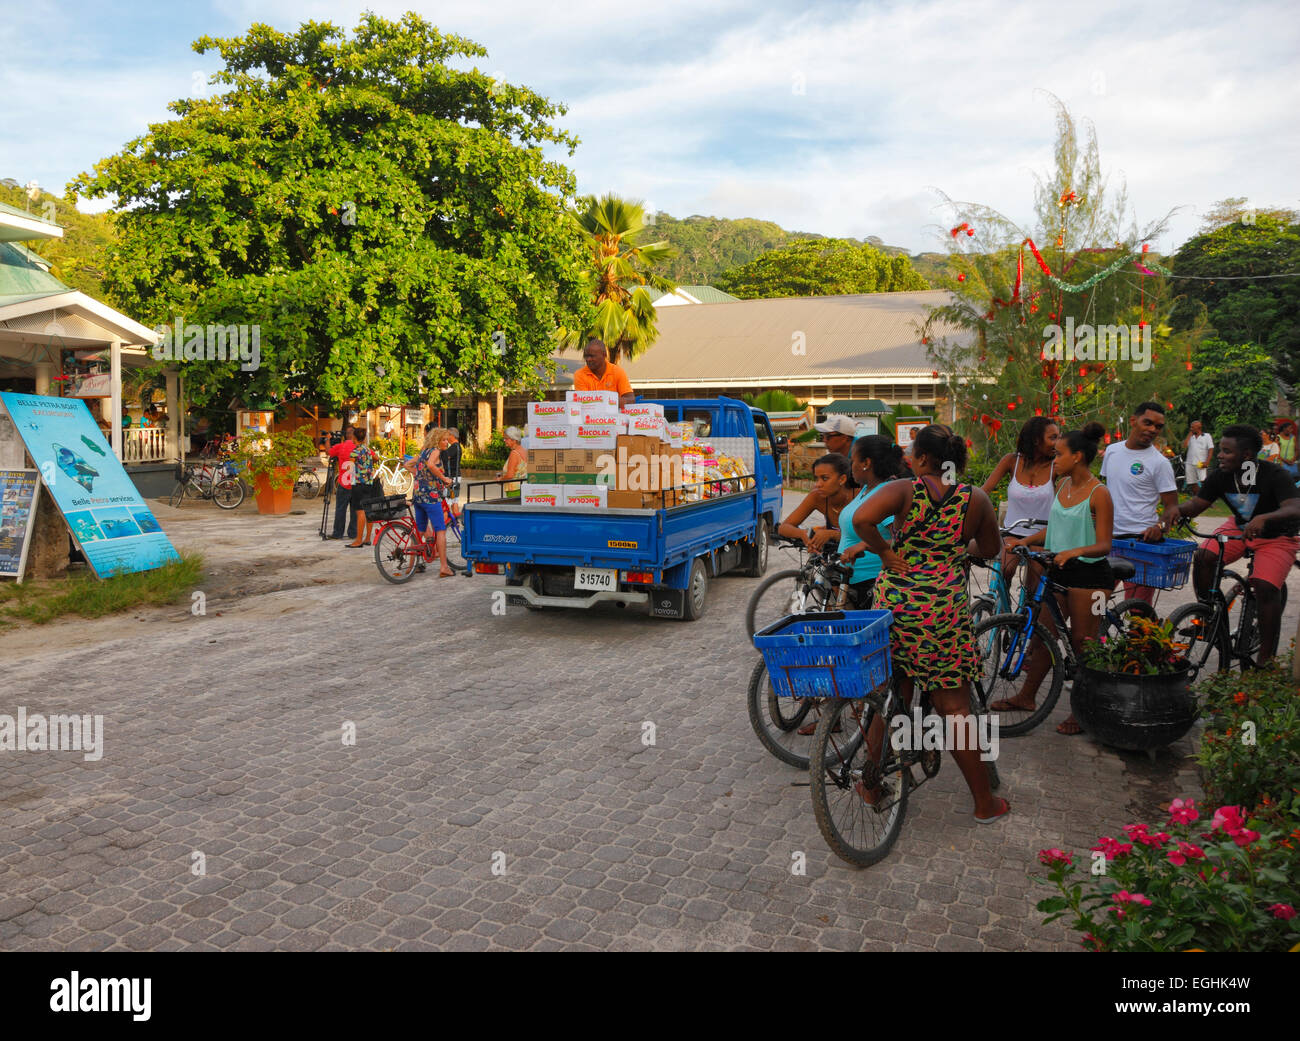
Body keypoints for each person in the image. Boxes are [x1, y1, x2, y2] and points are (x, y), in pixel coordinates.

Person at [851, 425, 1007, 824]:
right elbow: (990, 548)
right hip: (941, 610)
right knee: (954, 707)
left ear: (922, 460)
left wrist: (886, 553)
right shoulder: (977, 499)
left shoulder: (906, 490)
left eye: (912, 452)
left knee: (891, 697)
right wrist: (960, 547)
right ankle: (984, 804)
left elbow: (864, 519)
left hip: (897, 606)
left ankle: (871, 787)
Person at [998, 423, 1114, 735]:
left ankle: (1084, 710)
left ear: (1077, 457)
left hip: (1089, 574)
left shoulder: (1099, 493)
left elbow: (1105, 544)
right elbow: (1054, 529)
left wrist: (1073, 552)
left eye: (1060, 453)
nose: (1054, 457)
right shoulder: (1062, 486)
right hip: (1058, 568)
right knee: (1043, 635)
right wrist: (1026, 540)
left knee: (1083, 644)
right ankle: (1026, 697)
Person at [1160, 424, 1300, 663]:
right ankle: (1207, 616)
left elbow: (1295, 507)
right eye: (1221, 450)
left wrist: (1265, 517)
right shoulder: (1221, 475)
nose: (1220, 455)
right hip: (1239, 528)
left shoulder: (1274, 474)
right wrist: (1176, 510)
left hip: (1277, 537)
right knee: (1204, 556)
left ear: (1246, 455)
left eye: (1226, 451)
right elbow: (1197, 504)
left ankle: (1266, 659)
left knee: (1265, 586)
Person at [1098, 401, 1179, 603]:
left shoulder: (1160, 463)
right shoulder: (1112, 451)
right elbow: (1104, 491)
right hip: (1109, 541)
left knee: (1136, 612)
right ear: (1133, 421)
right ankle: (1099, 636)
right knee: (1095, 604)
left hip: (1142, 545)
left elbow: (1172, 507)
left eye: (1158, 427)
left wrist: (1160, 526)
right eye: (1148, 423)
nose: (1153, 430)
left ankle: (1145, 634)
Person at [981, 416, 1061, 601]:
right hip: (1012, 531)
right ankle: (1002, 612)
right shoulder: (1011, 461)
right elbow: (984, 491)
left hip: (1042, 535)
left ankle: (1025, 624)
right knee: (1005, 572)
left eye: (1058, 437)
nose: (1057, 443)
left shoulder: (1056, 467)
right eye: (1052, 437)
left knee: (1033, 590)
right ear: (1036, 440)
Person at [776, 453, 853, 551]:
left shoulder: (858, 496)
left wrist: (832, 534)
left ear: (842, 479)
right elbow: (784, 527)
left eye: (825, 478)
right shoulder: (817, 496)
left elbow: (865, 535)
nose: (818, 484)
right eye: (816, 478)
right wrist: (803, 534)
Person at [405, 427, 454, 577]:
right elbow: (432, 465)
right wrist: (444, 478)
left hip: (418, 495)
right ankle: (444, 567)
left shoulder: (423, 451)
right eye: (444, 439)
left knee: (419, 531)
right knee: (440, 530)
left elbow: (407, 465)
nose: (447, 442)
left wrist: (421, 475)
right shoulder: (435, 451)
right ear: (437, 440)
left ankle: (411, 567)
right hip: (431, 498)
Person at [345, 428, 380, 548]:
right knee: (368, 510)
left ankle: (358, 540)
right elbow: (377, 459)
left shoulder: (355, 451)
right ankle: (367, 538)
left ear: (354, 438)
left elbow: (349, 466)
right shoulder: (368, 450)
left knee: (360, 511)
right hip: (369, 483)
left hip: (359, 484)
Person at [574, 339, 635, 406]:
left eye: (592, 356)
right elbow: (584, 404)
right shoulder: (580, 374)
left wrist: (612, 402)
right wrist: (609, 402)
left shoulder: (617, 371)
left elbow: (631, 399)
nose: (588, 359)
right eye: (586, 356)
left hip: (615, 415)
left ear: (604, 355)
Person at [328, 425, 357, 541]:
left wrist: (327, 440)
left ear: (346, 435)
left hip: (343, 483)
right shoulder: (358, 448)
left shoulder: (341, 447)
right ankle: (353, 533)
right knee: (355, 510)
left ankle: (338, 533)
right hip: (355, 483)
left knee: (340, 509)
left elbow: (329, 452)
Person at [813, 416, 860, 487]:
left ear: (845, 438)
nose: (824, 440)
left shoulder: (860, 457)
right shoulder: (841, 456)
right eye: (823, 436)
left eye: (828, 436)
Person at [1183, 420, 1215, 497]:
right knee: (1192, 482)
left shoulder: (1206, 436)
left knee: (1204, 481)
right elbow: (1184, 446)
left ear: (1199, 428)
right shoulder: (1191, 437)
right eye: (1190, 427)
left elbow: (1210, 449)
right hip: (1190, 462)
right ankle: (1198, 498)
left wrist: (1207, 462)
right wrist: (1190, 434)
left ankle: (1208, 498)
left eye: (1192, 427)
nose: (1191, 429)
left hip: (1200, 462)